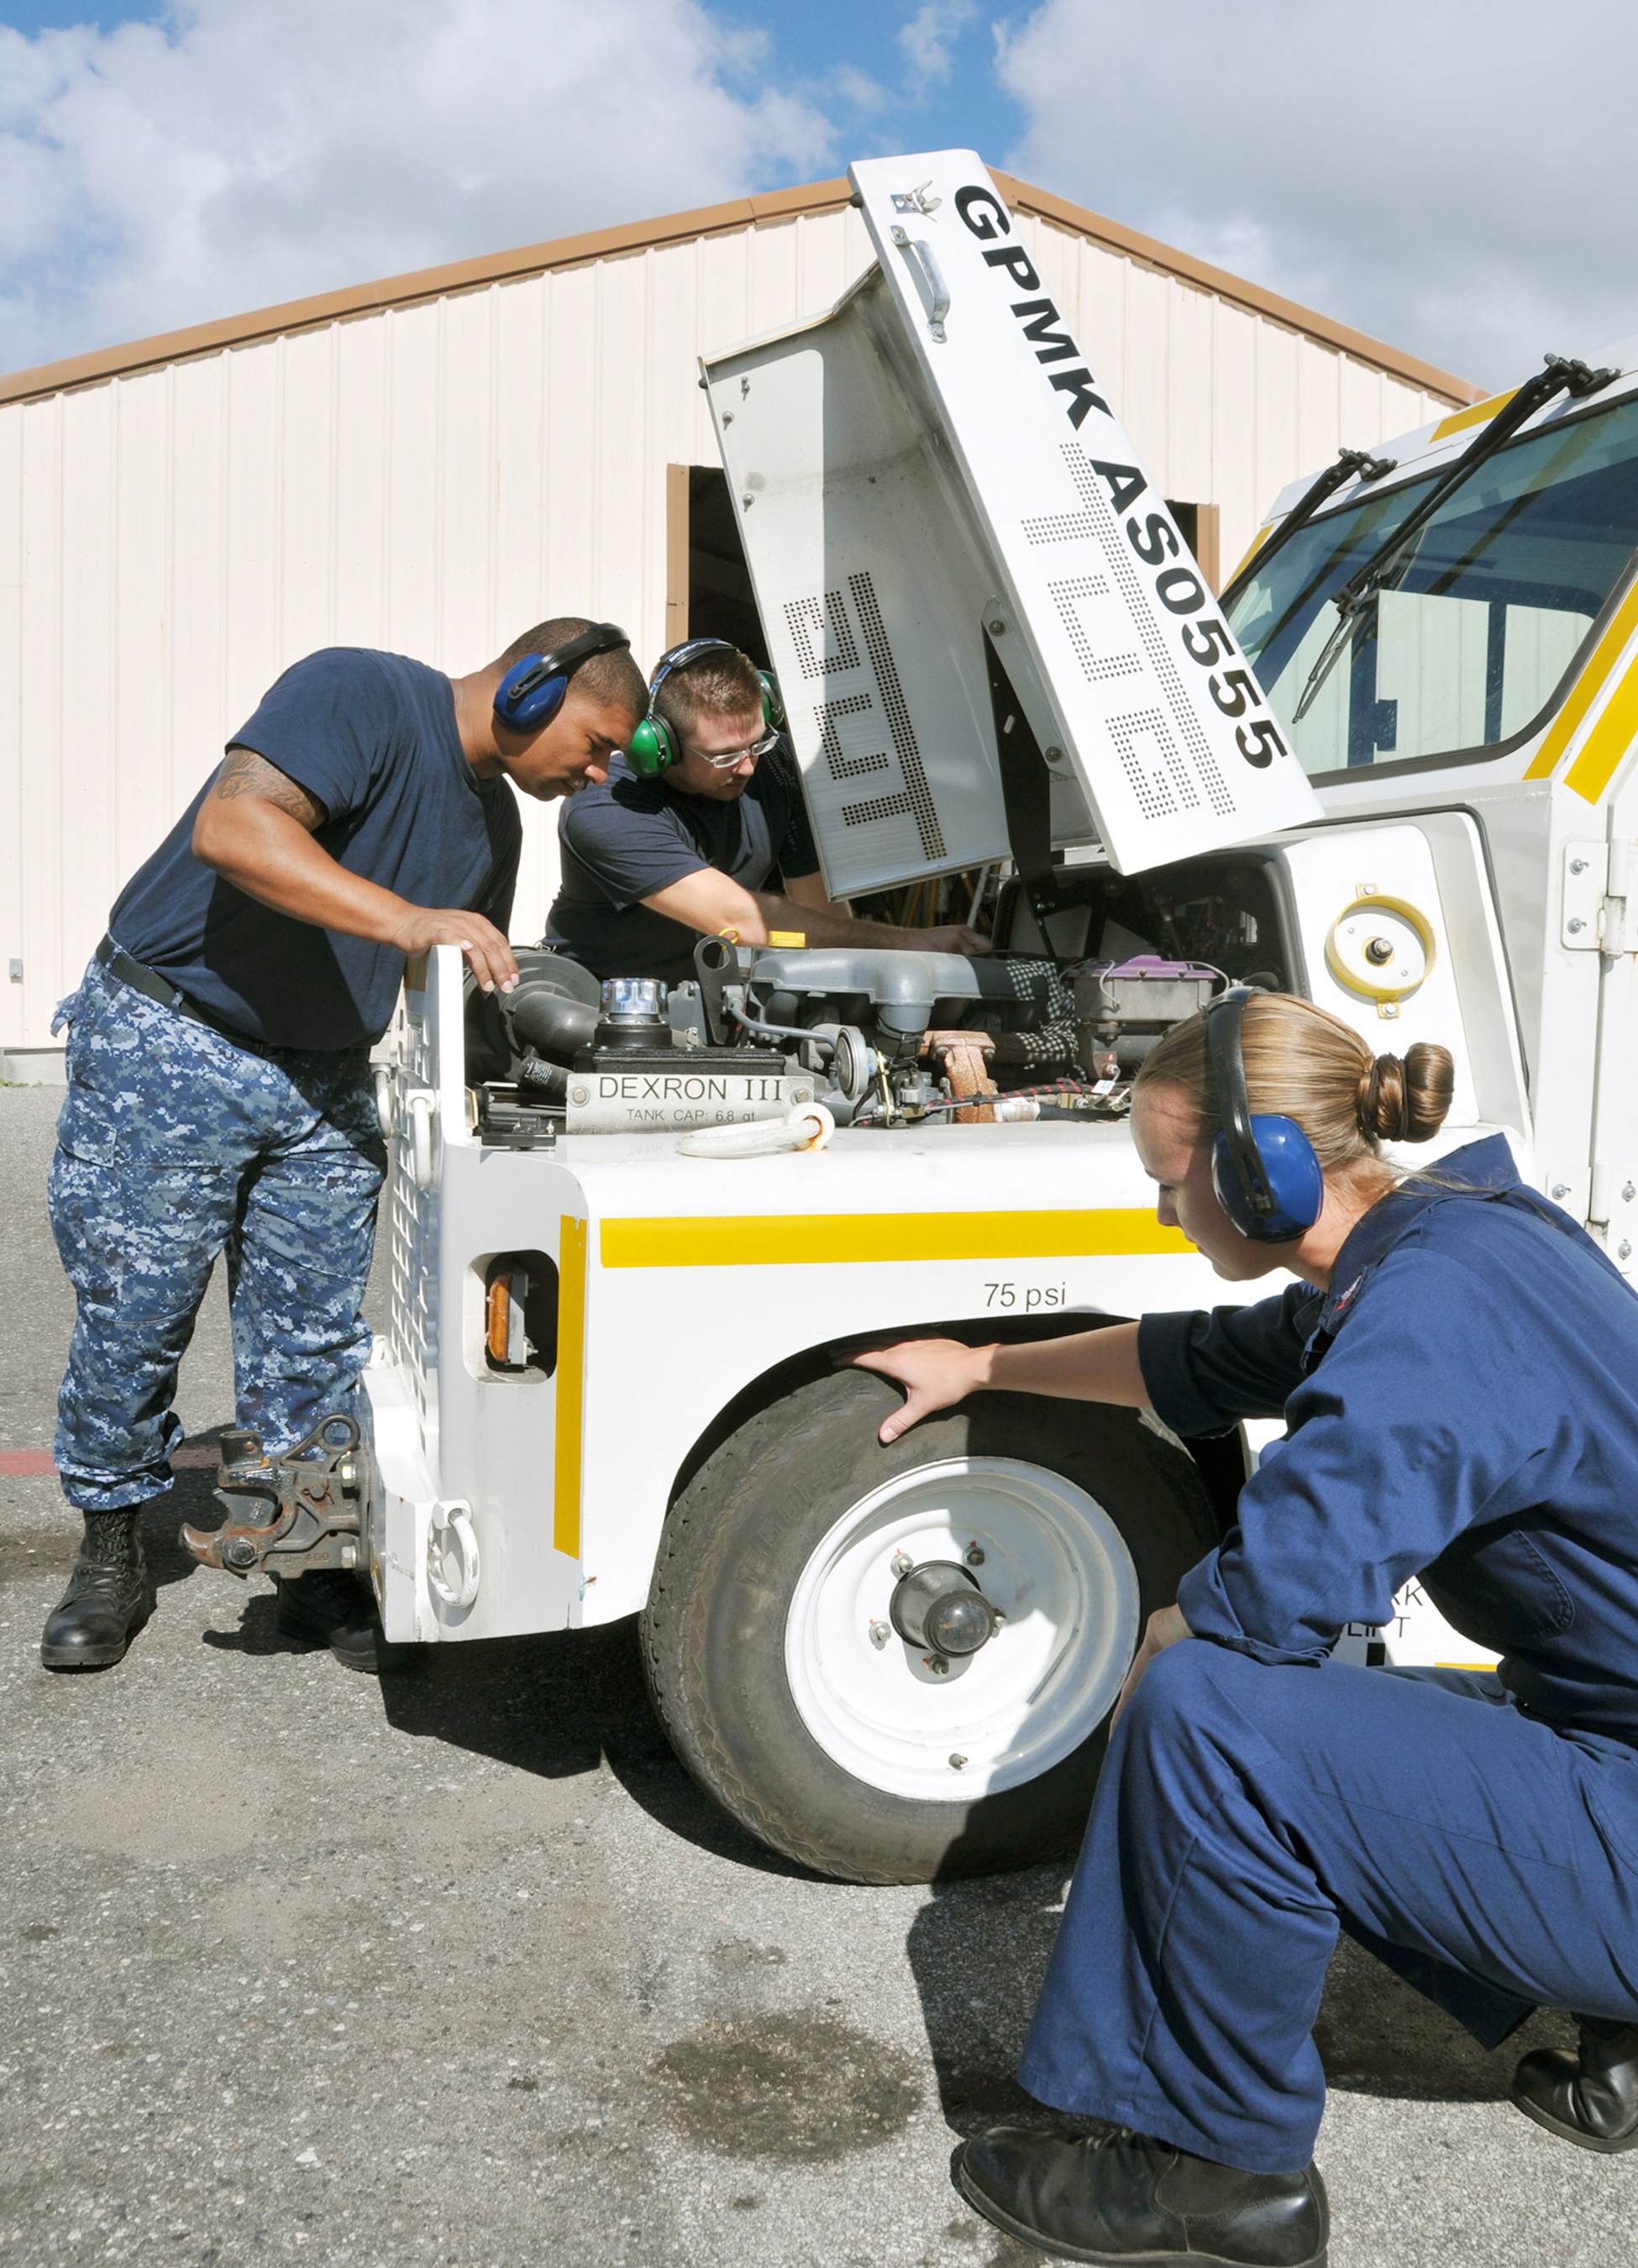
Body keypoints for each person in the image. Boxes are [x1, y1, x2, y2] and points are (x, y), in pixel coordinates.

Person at [857, 989, 1638, 2267]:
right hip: (1611, 1734)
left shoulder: (1430, 1318)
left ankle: (1213, 2168)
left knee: (1207, 1718)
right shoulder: (1453, 1239)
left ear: (1262, 1172)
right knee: (1416, 1720)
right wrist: (986, 1366)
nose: (1165, 1212)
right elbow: (1207, 1362)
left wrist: (1156, 1664)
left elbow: (1273, 1596)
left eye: (1173, 1182)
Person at [42, 618, 646, 1677]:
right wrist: (410, 919)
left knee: (313, 1330)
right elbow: (234, 831)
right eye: (596, 742)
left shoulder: (496, 827)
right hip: (175, 1036)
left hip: (323, 1073)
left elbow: (464, 989)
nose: (598, 771)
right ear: (530, 690)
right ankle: (110, 1547)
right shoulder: (360, 693)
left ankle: (308, 1547)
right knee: (135, 1315)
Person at [543, 638, 989, 984]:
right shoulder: (605, 807)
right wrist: (909, 944)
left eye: (757, 742)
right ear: (661, 747)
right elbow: (738, 920)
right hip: (599, 1002)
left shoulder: (773, 770)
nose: (747, 766)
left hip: (713, 999)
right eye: (723, 755)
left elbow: (825, 918)